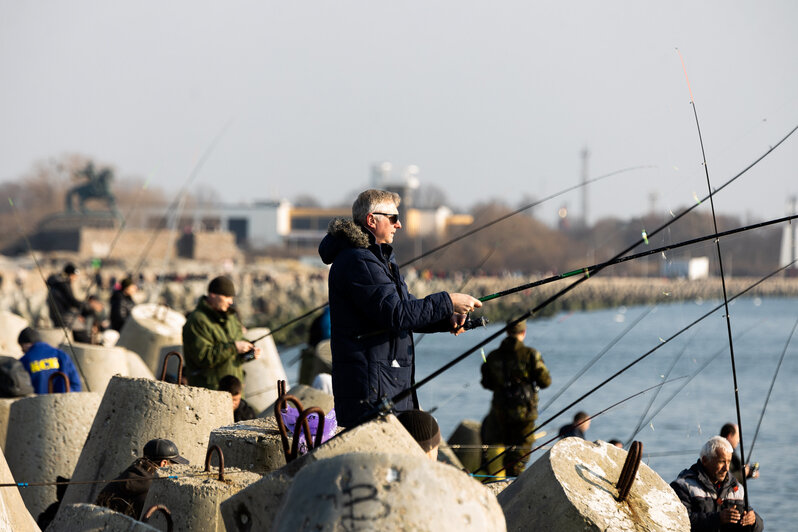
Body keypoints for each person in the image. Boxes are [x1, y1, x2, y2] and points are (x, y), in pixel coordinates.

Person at [318, 189, 482, 427]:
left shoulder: (377, 257)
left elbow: (405, 309)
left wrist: (446, 319)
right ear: (371, 220)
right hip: (371, 390)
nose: (400, 224)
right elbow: (396, 314)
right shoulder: (359, 260)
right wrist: (448, 300)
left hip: (384, 383)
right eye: (393, 218)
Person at [479, 319, 551, 476]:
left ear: (507, 332)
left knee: (498, 450)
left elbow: (486, 383)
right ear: (523, 332)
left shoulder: (493, 356)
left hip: (500, 412)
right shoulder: (531, 354)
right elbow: (545, 382)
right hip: (524, 415)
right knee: (519, 455)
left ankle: (496, 480)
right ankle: (513, 484)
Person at [182, 276, 260, 390]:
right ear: (213, 295)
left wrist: (249, 352)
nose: (231, 301)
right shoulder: (197, 321)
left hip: (233, 391)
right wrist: (234, 347)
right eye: (227, 297)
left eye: (232, 297)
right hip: (210, 391)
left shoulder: (231, 318)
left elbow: (236, 345)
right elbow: (203, 357)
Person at [670, 436, 763, 531]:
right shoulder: (683, 485)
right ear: (705, 460)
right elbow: (678, 520)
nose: (726, 468)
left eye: (729, 462)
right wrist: (718, 519)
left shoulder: (736, 487)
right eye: (722, 462)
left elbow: (758, 526)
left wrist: (753, 520)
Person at [95, 438, 188, 518]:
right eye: (173, 464)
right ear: (163, 464)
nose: (175, 468)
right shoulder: (154, 488)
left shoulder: (126, 475)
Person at [17, 327, 82, 393]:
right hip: (62, 401)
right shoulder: (61, 354)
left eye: (22, 346)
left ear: (26, 344)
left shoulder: (24, 360)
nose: (22, 350)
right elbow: (75, 383)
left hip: (38, 402)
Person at [46, 262, 82, 328]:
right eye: (74, 276)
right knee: (82, 329)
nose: (75, 278)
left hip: (56, 315)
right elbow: (71, 300)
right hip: (63, 316)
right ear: (70, 275)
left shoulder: (58, 283)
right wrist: (84, 306)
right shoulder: (64, 284)